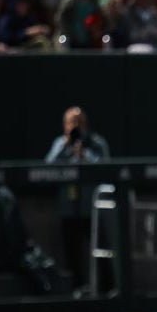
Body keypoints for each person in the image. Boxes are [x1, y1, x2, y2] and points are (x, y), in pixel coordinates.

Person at [44, 106, 109, 296]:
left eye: (79, 122)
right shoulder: (60, 144)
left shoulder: (96, 143)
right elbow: (46, 167)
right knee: (71, 256)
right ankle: (75, 293)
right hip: (68, 210)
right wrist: (66, 144)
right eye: (72, 122)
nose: (76, 127)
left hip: (92, 211)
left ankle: (106, 291)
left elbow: (105, 168)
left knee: (101, 253)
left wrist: (84, 155)